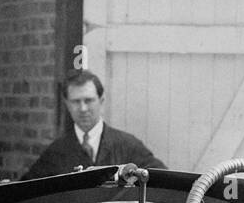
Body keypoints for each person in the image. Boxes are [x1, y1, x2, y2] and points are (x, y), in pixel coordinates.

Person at [23, 70, 164, 179]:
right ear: (67, 104)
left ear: (101, 101)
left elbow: (162, 180)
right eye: (76, 102)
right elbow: (26, 191)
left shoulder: (128, 146)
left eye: (89, 100)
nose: (83, 108)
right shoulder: (55, 152)